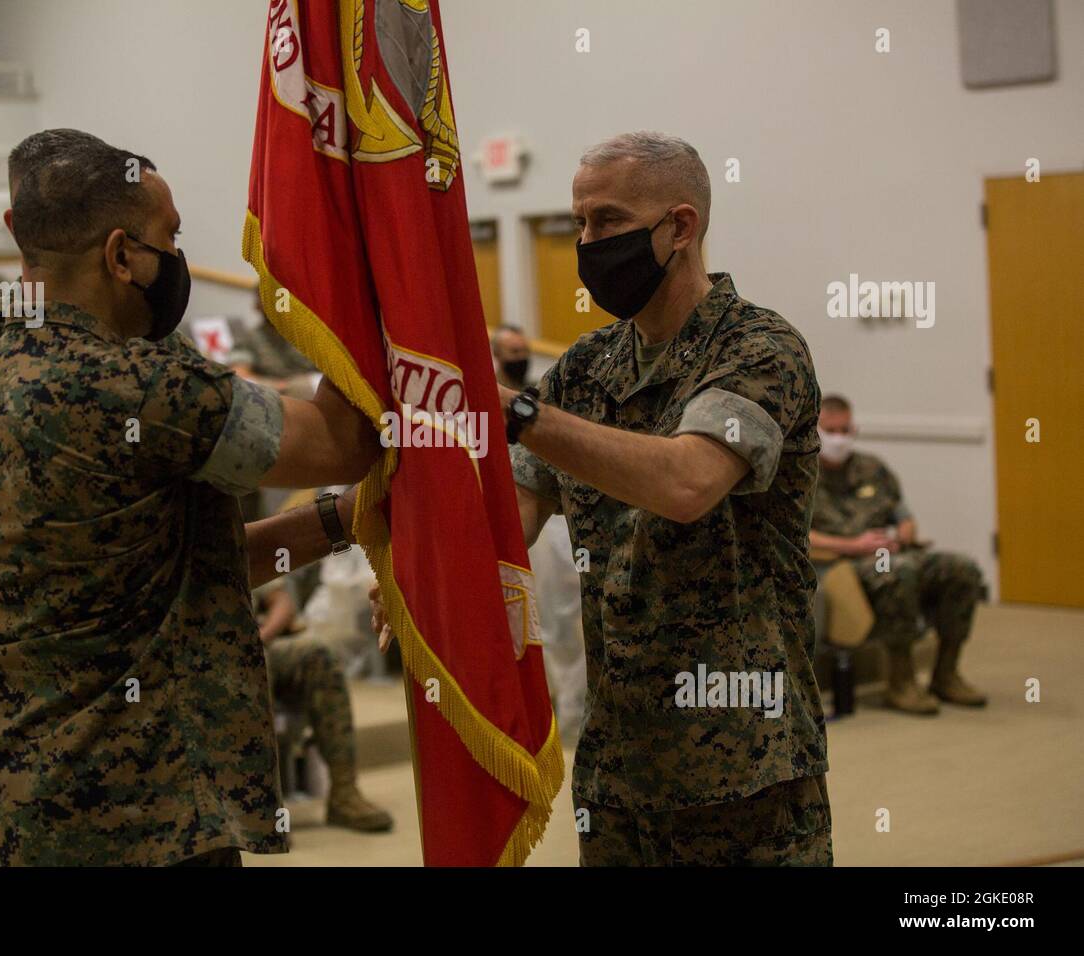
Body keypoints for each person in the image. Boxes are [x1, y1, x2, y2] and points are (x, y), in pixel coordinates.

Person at [0, 135, 377, 867]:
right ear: (121, 255)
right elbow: (346, 443)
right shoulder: (142, 387)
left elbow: (167, 574)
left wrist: (340, 523)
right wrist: (354, 263)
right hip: (143, 823)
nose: (180, 260)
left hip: (3, 817)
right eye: (174, 239)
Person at [377, 131, 830, 866]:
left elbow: (687, 482)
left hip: (745, 768)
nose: (589, 242)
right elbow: (510, 521)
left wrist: (518, 414)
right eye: (580, 223)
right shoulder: (585, 370)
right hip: (620, 767)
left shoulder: (760, 348)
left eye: (609, 221)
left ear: (680, 227)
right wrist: (425, 577)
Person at [809, 394, 987, 713]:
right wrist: (854, 545)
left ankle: (946, 672)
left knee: (961, 569)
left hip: (891, 551)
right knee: (897, 571)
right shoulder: (801, 473)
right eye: (830, 430)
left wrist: (900, 535)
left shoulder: (872, 468)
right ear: (814, 429)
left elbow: (905, 519)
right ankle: (901, 681)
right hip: (841, 561)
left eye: (845, 429)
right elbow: (797, 534)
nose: (839, 437)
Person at [254, 578, 393, 832]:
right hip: (214, 653)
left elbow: (283, 602)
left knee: (319, 654)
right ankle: (263, 808)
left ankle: (344, 793)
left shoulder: (239, 542)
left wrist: (262, 636)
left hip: (259, 642)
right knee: (252, 665)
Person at [491, 324, 532, 390]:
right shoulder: (488, 389)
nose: (521, 356)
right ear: (497, 353)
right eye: (515, 351)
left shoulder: (535, 392)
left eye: (525, 351)